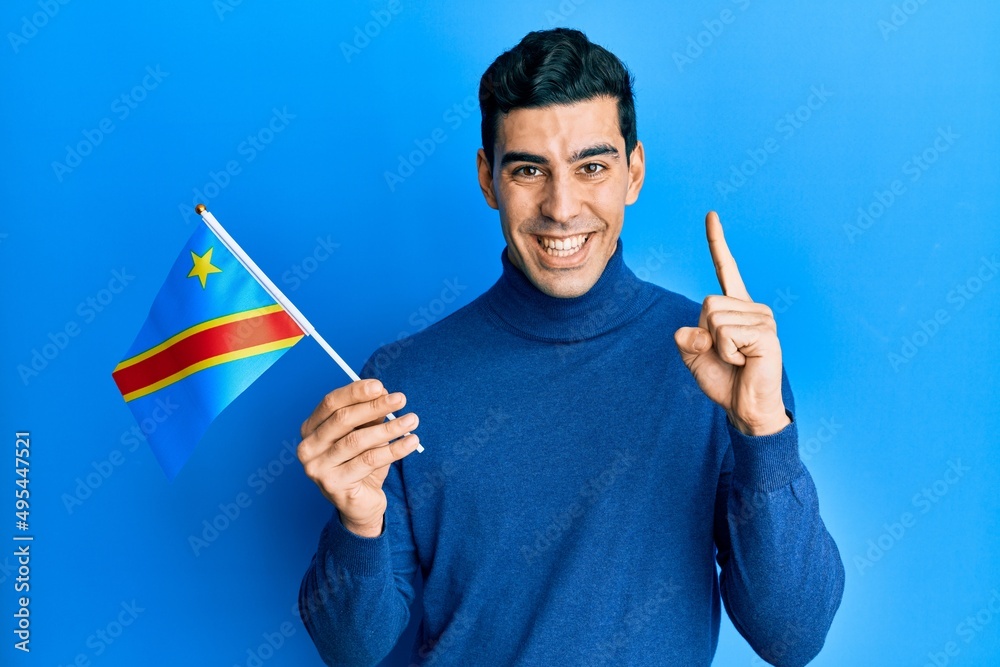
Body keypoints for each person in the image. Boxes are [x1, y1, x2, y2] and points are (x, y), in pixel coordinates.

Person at [296, 27, 844, 667]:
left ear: (633, 173)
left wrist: (763, 433)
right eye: (529, 170)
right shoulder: (399, 379)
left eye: (592, 167)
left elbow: (793, 637)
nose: (562, 207)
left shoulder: (723, 364)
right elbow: (351, 649)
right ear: (487, 180)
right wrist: (359, 528)